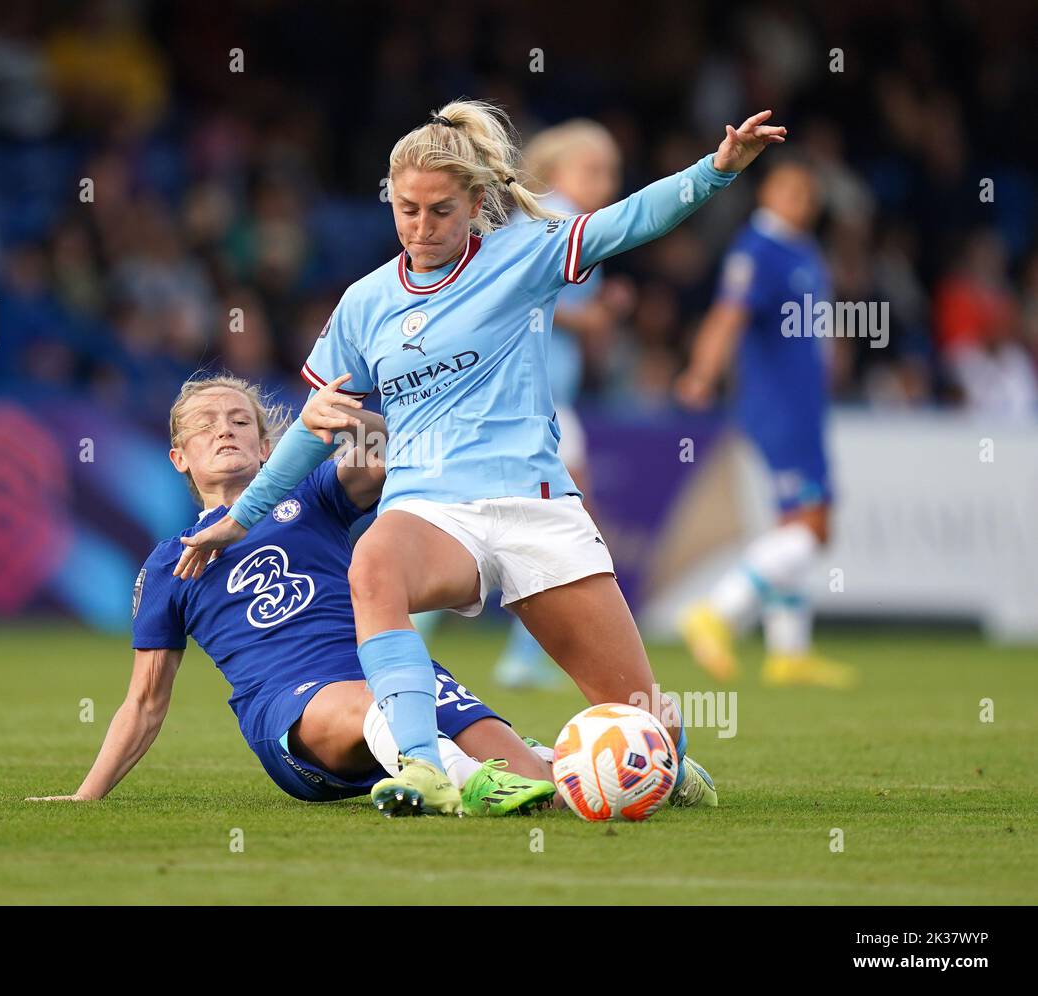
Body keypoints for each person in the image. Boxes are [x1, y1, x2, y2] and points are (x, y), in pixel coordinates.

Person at [175, 98, 782, 815]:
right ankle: (423, 768)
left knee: (652, 724)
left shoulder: (525, 255)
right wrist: (241, 518)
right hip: (430, 507)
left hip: (535, 506)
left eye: (439, 211)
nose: (421, 228)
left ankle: (665, 765)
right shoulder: (365, 304)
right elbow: (315, 425)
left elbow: (630, 220)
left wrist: (718, 170)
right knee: (373, 566)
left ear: (476, 203)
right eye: (406, 210)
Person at [28, 374, 559, 815]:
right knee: (375, 701)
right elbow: (144, 703)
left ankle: (565, 764)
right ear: (178, 458)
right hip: (292, 715)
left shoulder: (311, 497)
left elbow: (404, 450)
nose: (224, 432)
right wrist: (85, 796)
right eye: (205, 427)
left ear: (266, 448)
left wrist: (347, 417)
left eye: (240, 422)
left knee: (542, 782)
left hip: (399, 673)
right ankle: (459, 781)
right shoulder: (171, 563)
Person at [674, 160, 858, 689]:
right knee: (812, 527)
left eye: (809, 190)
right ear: (768, 191)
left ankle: (789, 653)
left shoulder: (803, 249)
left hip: (804, 406)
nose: (803, 198)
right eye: (791, 186)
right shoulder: (756, 249)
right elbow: (728, 314)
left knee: (794, 525)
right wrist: (702, 373)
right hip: (774, 407)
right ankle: (716, 612)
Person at [493, 118, 624, 690]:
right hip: (535, 402)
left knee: (529, 527)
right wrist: (599, 314)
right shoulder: (560, 221)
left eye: (611, 172)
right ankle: (524, 656)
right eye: (593, 168)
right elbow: (522, 295)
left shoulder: (545, 218)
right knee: (571, 528)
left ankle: (409, 630)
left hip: (543, 399)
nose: (606, 181)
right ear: (556, 172)